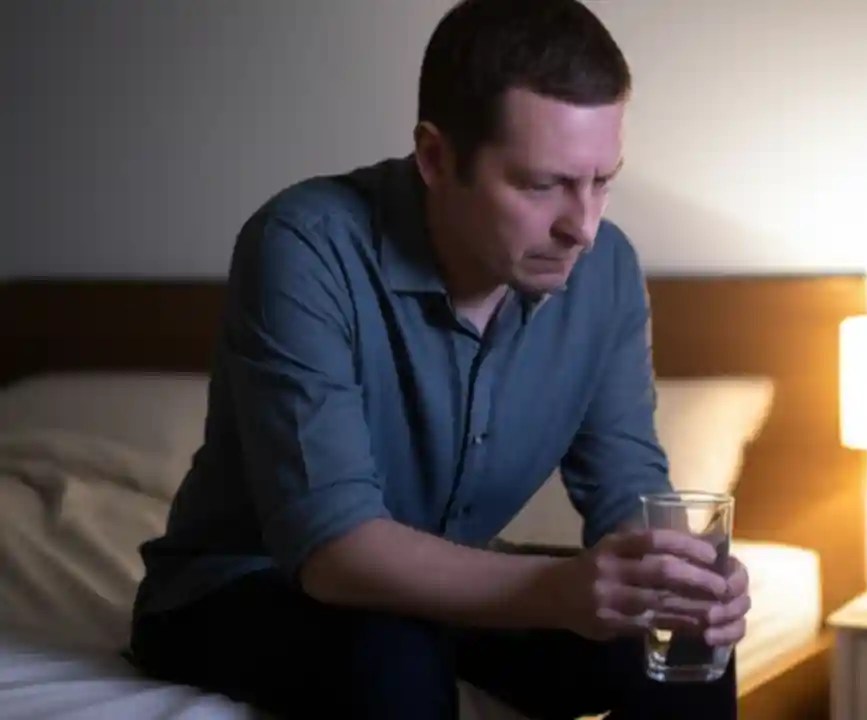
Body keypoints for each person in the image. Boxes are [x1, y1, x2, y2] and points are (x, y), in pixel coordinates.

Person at [127, 1, 750, 718]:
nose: (582, 225)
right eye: (541, 185)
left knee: (681, 647)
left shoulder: (606, 269)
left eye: (602, 180)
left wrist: (677, 578)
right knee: (391, 655)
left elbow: (626, 490)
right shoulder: (304, 245)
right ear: (436, 158)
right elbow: (334, 551)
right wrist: (558, 593)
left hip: (448, 596)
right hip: (245, 587)